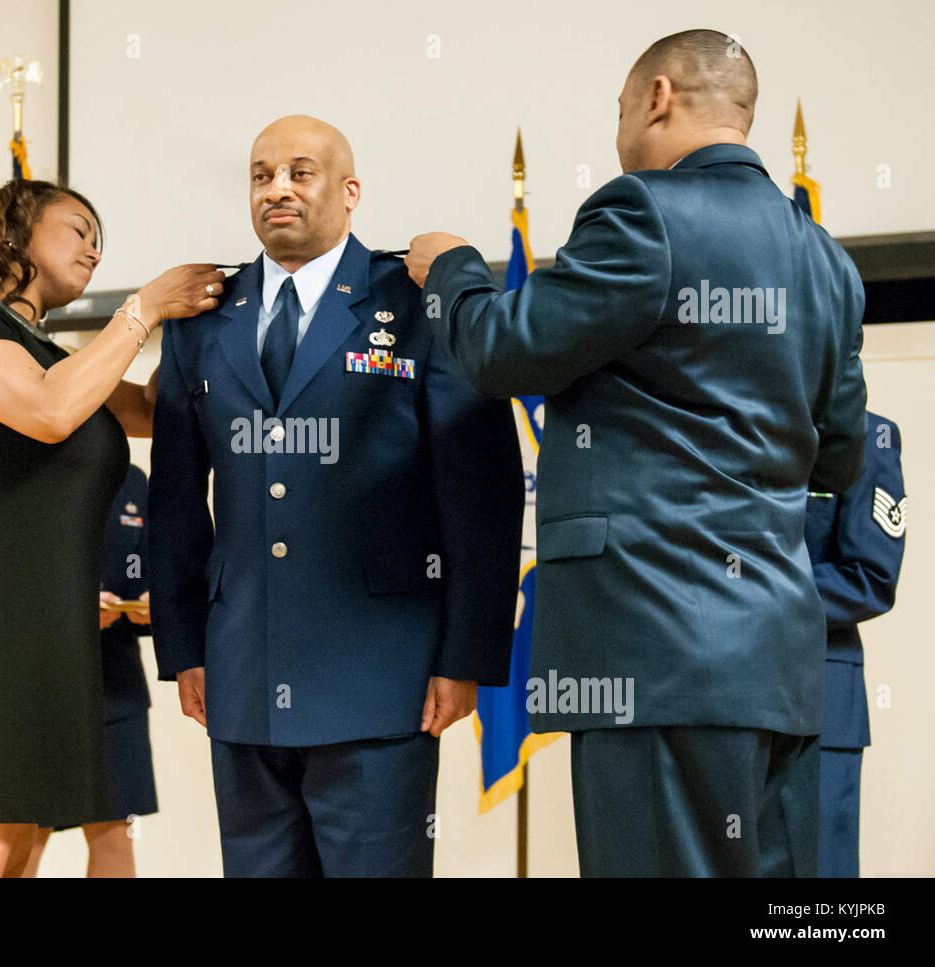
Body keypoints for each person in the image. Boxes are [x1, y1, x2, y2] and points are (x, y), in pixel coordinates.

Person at [406, 29, 867, 876]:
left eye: (620, 107)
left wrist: (454, 271)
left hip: (655, 654)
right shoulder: (827, 259)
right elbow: (839, 459)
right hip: (780, 664)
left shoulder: (643, 209)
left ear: (658, 95)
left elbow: (505, 352)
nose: (618, 127)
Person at [149, 116, 524, 877]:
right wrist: (184, 643)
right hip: (243, 670)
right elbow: (178, 498)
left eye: (299, 171)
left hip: (383, 673)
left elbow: (481, 487)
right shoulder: (204, 314)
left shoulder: (416, 300)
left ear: (351, 192)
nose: (277, 188)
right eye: (260, 174)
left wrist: (467, 654)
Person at [0, 178, 222, 877]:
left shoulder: (46, 350)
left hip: (41, 626)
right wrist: (144, 306)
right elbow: (48, 411)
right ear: (13, 230)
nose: (95, 250)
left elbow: (152, 409)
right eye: (79, 230)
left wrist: (197, 326)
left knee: (17, 844)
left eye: (102, 241)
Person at [23, 464, 159, 878]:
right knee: (24, 837)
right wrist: (65, 610)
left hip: (115, 682)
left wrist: (153, 603)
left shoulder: (131, 479)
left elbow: (147, 566)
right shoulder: (21, 467)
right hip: (32, 685)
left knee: (117, 831)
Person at [803, 411, 906, 877]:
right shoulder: (737, 423)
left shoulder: (870, 436)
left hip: (821, 706)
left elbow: (871, 577)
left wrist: (760, 596)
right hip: (717, 701)